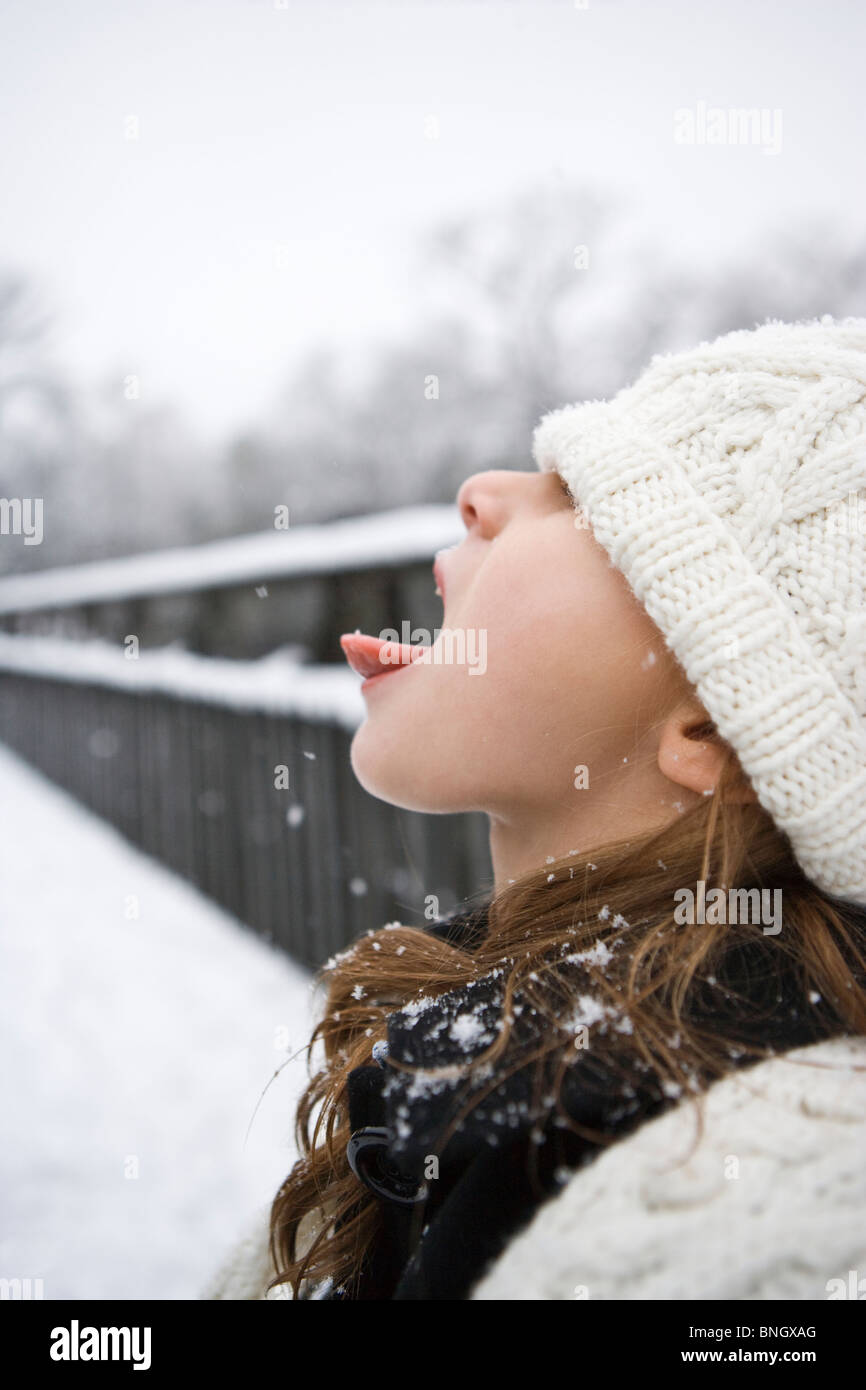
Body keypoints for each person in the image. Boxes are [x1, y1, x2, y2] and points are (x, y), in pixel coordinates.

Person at [203, 316, 866, 1301]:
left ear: (713, 730)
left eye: (584, 495)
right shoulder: (556, 1098)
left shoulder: (691, 1216)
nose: (480, 491)